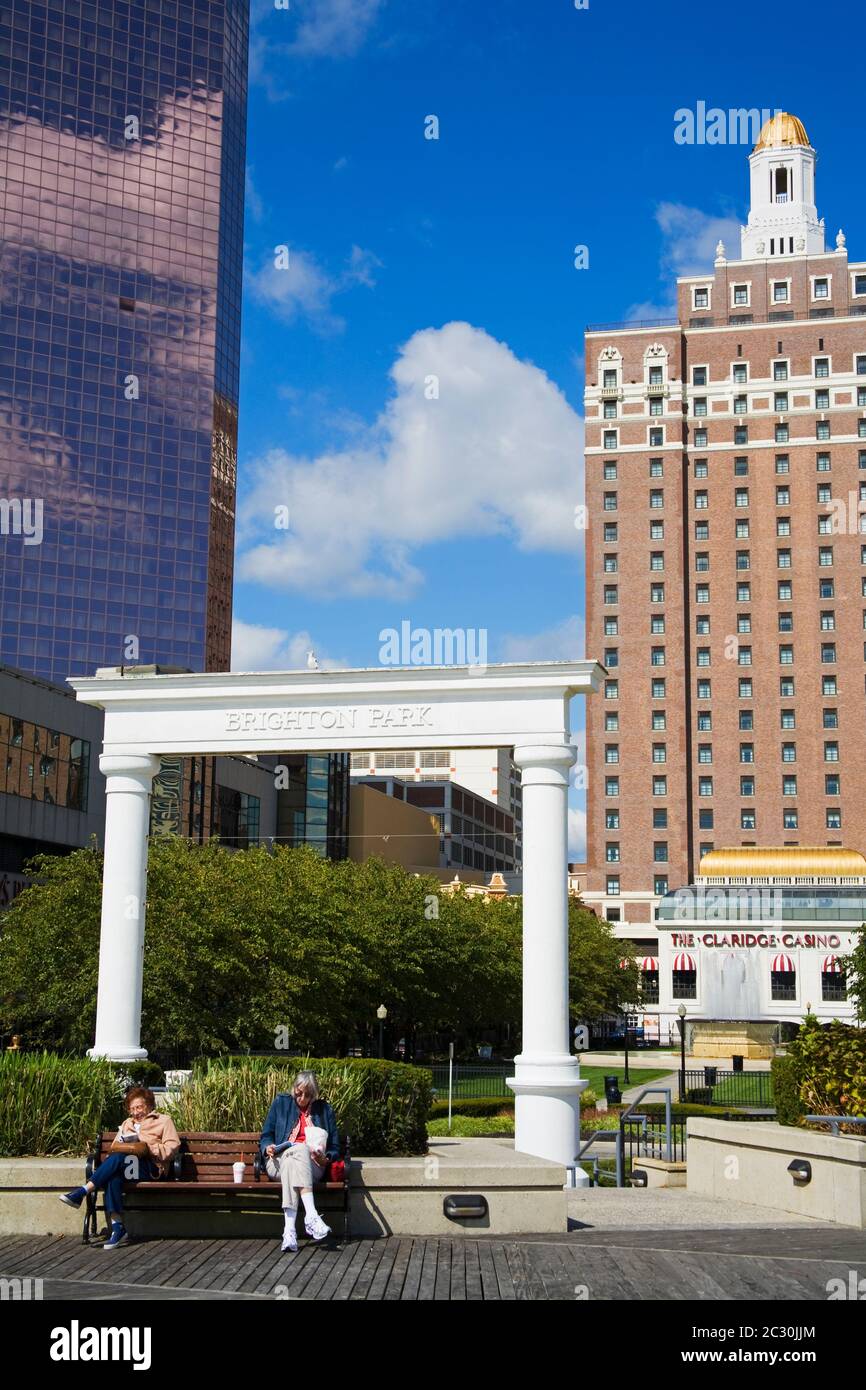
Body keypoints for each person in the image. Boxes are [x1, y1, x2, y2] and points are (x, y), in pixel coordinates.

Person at [59, 1086, 181, 1249]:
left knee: (119, 1160)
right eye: (132, 1109)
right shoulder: (127, 1123)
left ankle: (82, 1192)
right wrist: (128, 1146)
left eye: (139, 1107)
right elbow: (115, 1148)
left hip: (151, 1168)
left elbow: (173, 1147)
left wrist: (147, 1148)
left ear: (149, 1105)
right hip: (127, 1166)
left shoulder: (163, 1120)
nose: (135, 1112)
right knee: (114, 1175)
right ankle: (117, 1228)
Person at [260, 1070, 339, 1252]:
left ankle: (289, 1232)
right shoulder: (281, 1103)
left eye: (308, 1095)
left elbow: (334, 1147)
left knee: (296, 1155)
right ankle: (311, 1215)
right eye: (299, 1093)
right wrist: (268, 1147)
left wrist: (325, 1158)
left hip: (313, 1165)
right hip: (277, 1161)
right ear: (293, 1088)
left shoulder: (324, 1110)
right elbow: (266, 1135)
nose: (302, 1098)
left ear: (314, 1095)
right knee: (296, 1151)